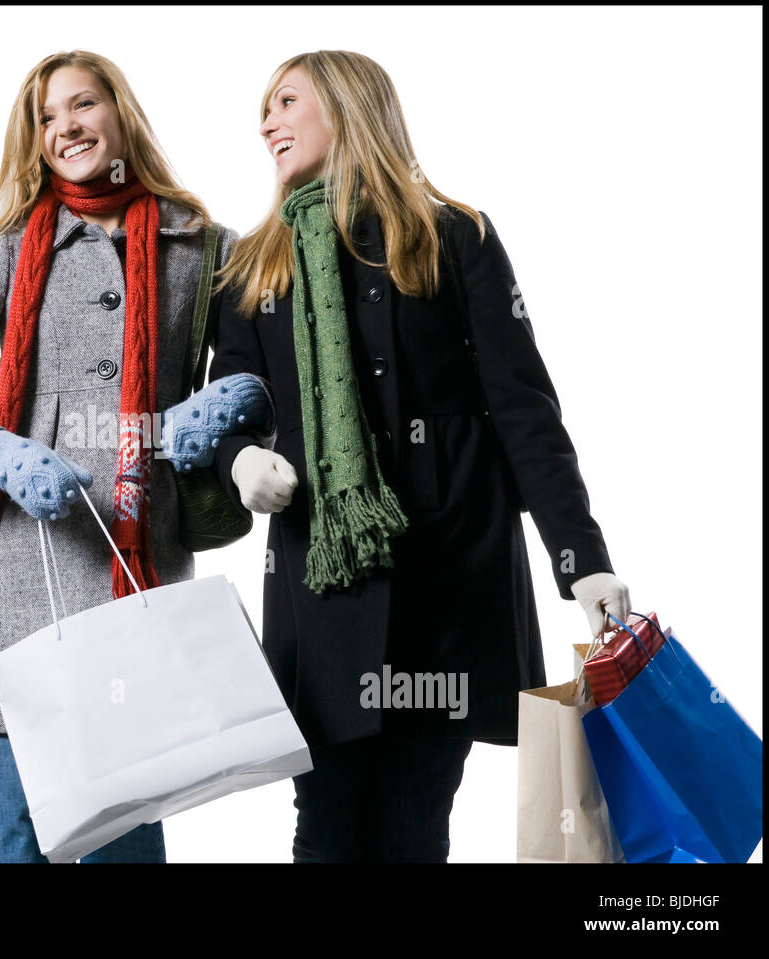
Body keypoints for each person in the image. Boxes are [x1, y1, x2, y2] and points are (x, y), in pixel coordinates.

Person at [208, 51, 632, 862]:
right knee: (326, 826)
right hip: (320, 593)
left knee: (413, 823)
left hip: (447, 586)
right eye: (264, 108)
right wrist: (236, 460)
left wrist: (582, 560)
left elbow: (524, 410)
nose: (267, 122)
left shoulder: (454, 236)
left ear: (347, 107)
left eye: (286, 101)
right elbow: (225, 406)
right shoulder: (254, 266)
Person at [0, 50, 270, 863]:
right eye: (46, 119)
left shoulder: (201, 245)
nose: (65, 128)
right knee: (28, 831)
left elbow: (260, 375)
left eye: (81, 105)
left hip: (138, 567)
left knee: (126, 829)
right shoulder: (13, 246)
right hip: (23, 574)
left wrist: (224, 407)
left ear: (119, 112)